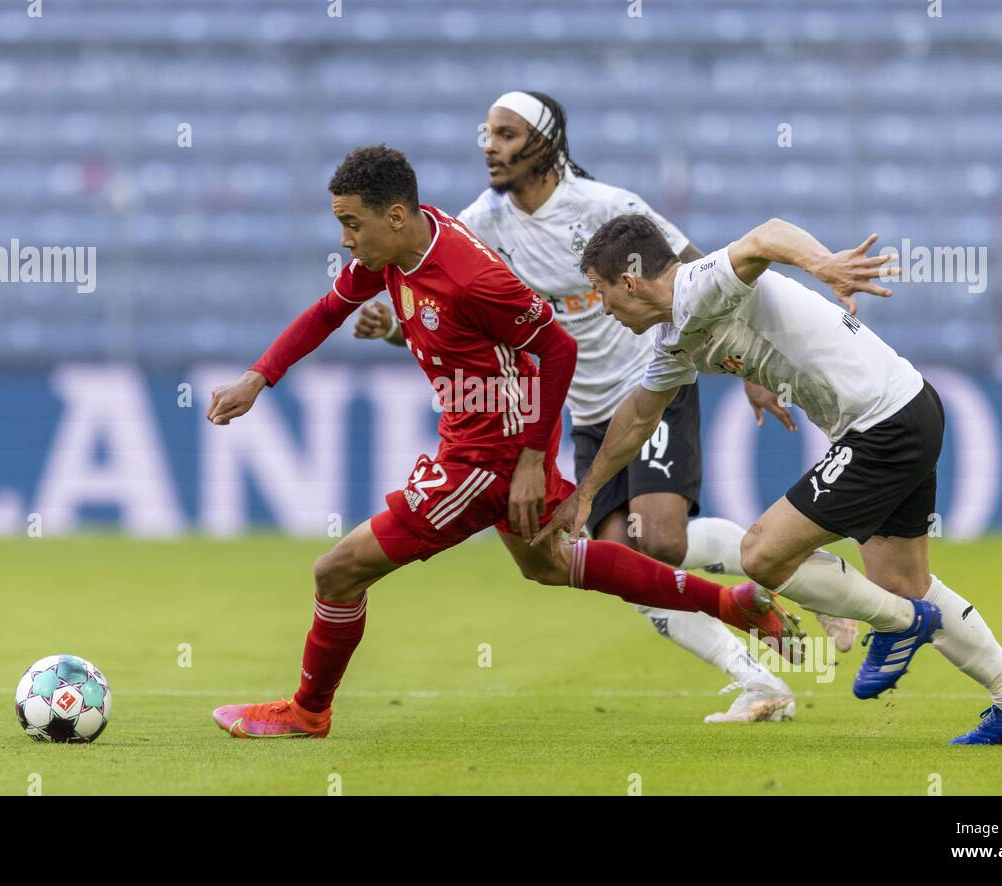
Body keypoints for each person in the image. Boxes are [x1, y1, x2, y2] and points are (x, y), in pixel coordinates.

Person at [204, 145, 796, 739]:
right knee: (550, 561)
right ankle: (730, 604)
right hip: (483, 444)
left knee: (336, 571)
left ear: (394, 217)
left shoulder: (468, 276)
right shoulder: (396, 251)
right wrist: (260, 376)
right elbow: (329, 312)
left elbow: (558, 348)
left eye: (351, 223)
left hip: (484, 459)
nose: (344, 239)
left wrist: (533, 460)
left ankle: (309, 711)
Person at [352, 91, 844, 724]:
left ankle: (791, 562)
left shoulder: (609, 208)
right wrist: (395, 327)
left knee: (657, 541)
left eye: (506, 134)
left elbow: (703, 270)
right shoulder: (482, 224)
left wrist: (751, 364)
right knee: (625, 565)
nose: (490, 147)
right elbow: (446, 304)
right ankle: (757, 678)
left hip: (652, 386)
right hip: (586, 412)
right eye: (487, 135)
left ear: (547, 142)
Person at [537, 213, 1002, 745]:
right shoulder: (675, 339)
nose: (601, 308)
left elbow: (766, 235)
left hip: (883, 423)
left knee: (763, 554)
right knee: (903, 582)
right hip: (906, 406)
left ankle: (903, 622)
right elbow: (639, 416)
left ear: (630, 282)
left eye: (601, 292)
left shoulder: (697, 286)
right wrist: (586, 494)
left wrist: (825, 264)